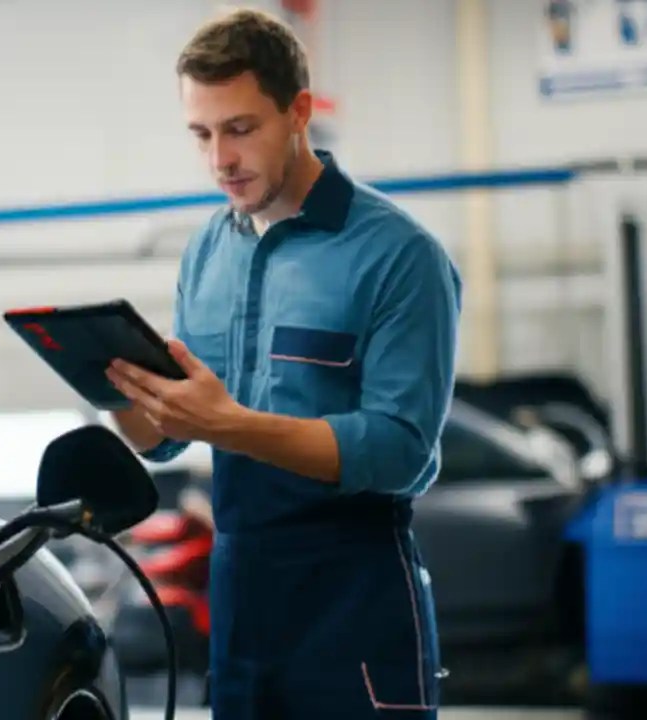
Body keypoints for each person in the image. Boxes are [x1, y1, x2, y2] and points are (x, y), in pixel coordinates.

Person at [105, 8, 462, 719]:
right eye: (201, 135)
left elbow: (398, 450)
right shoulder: (209, 251)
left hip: (356, 595)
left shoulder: (398, 256)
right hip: (240, 592)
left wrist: (231, 426)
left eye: (240, 129)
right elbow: (172, 435)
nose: (220, 160)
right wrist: (119, 396)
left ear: (297, 111)